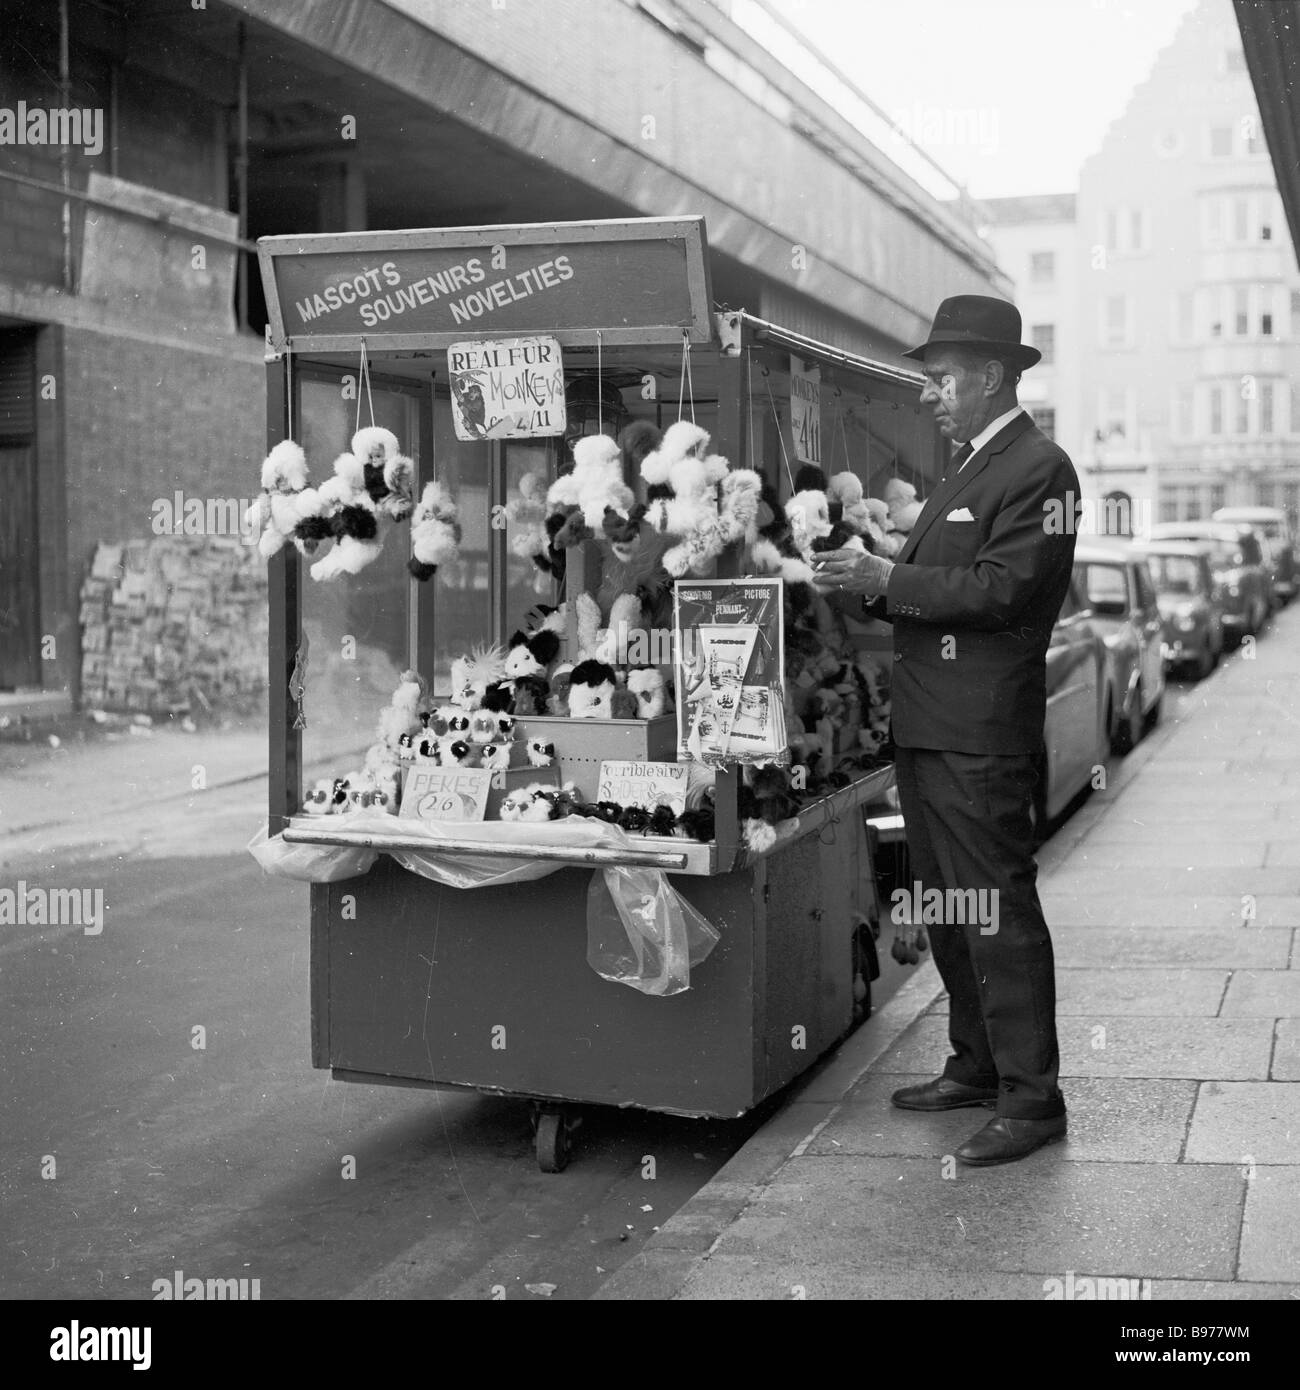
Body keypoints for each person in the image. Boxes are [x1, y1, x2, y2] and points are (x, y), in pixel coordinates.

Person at [814, 295, 1080, 1166]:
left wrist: (888, 573)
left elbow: (1005, 589)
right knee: (949, 904)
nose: (929, 394)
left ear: (992, 375)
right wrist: (872, 575)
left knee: (996, 909)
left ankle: (1033, 1100)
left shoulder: (1041, 468)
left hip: (978, 732)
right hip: (932, 727)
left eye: (941, 378)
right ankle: (975, 1065)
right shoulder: (971, 464)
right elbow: (941, 578)